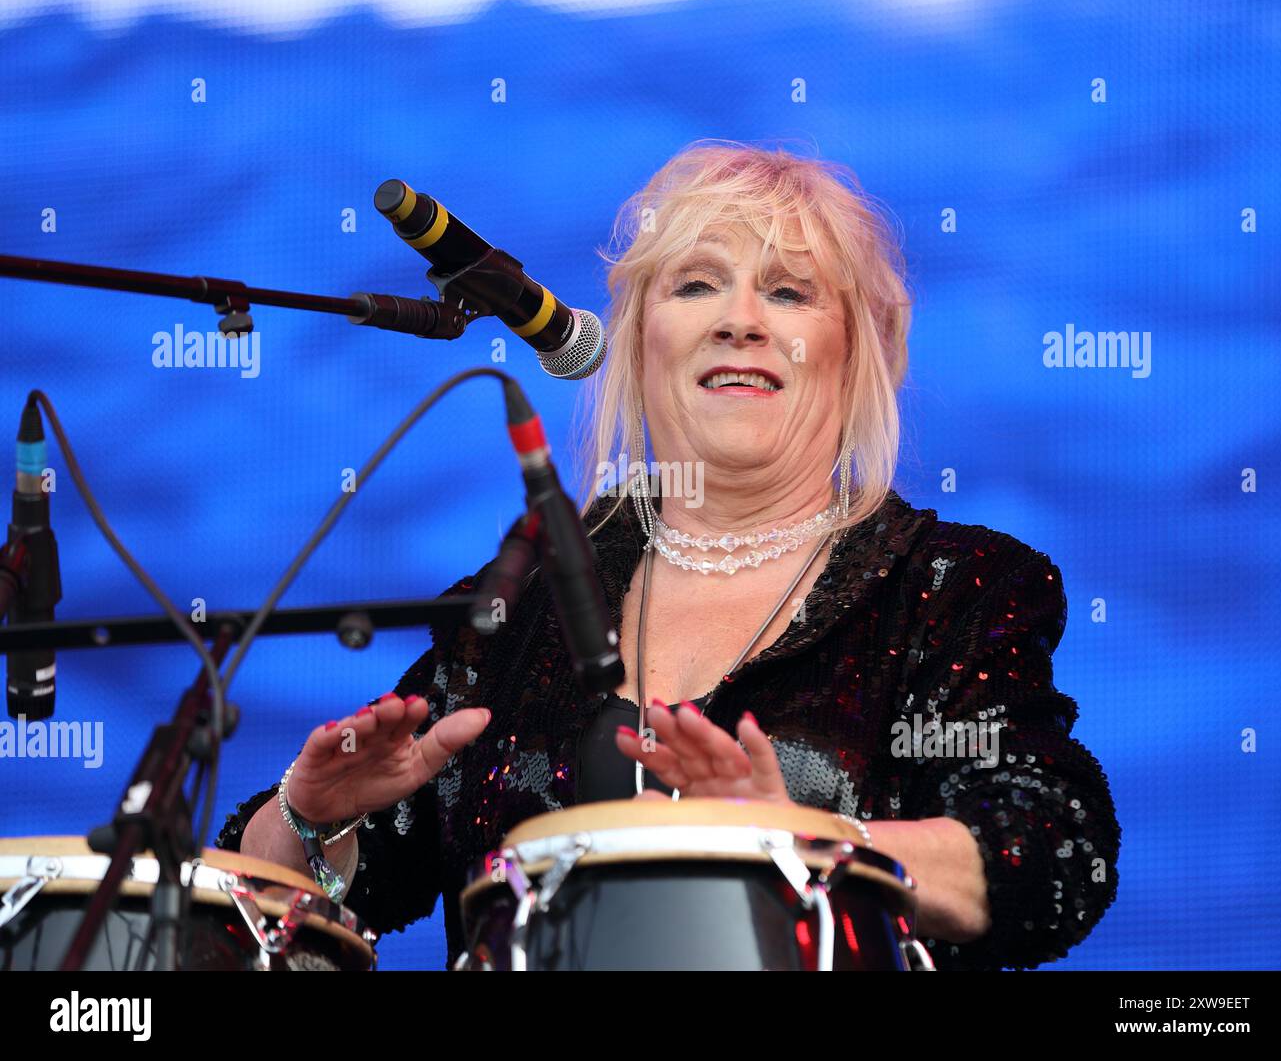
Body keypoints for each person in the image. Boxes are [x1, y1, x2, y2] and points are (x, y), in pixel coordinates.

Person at [216, 140, 1120, 971]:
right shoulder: (523, 600)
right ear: (639, 341)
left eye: (789, 292)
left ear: (862, 350)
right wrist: (311, 816)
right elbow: (286, 910)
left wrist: (811, 847)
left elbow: (1050, 844)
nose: (739, 320)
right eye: (696, 286)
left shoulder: (952, 589)